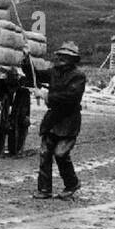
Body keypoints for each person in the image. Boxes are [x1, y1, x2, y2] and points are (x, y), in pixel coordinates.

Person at [34, 41, 86, 200]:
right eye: (61, 55)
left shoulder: (78, 76)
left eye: (67, 56)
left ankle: (72, 184)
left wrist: (46, 96)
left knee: (61, 154)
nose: (62, 58)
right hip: (53, 119)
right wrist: (25, 59)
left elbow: (71, 97)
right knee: (45, 153)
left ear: (73, 59)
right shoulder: (53, 72)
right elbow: (34, 75)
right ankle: (44, 190)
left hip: (69, 120)